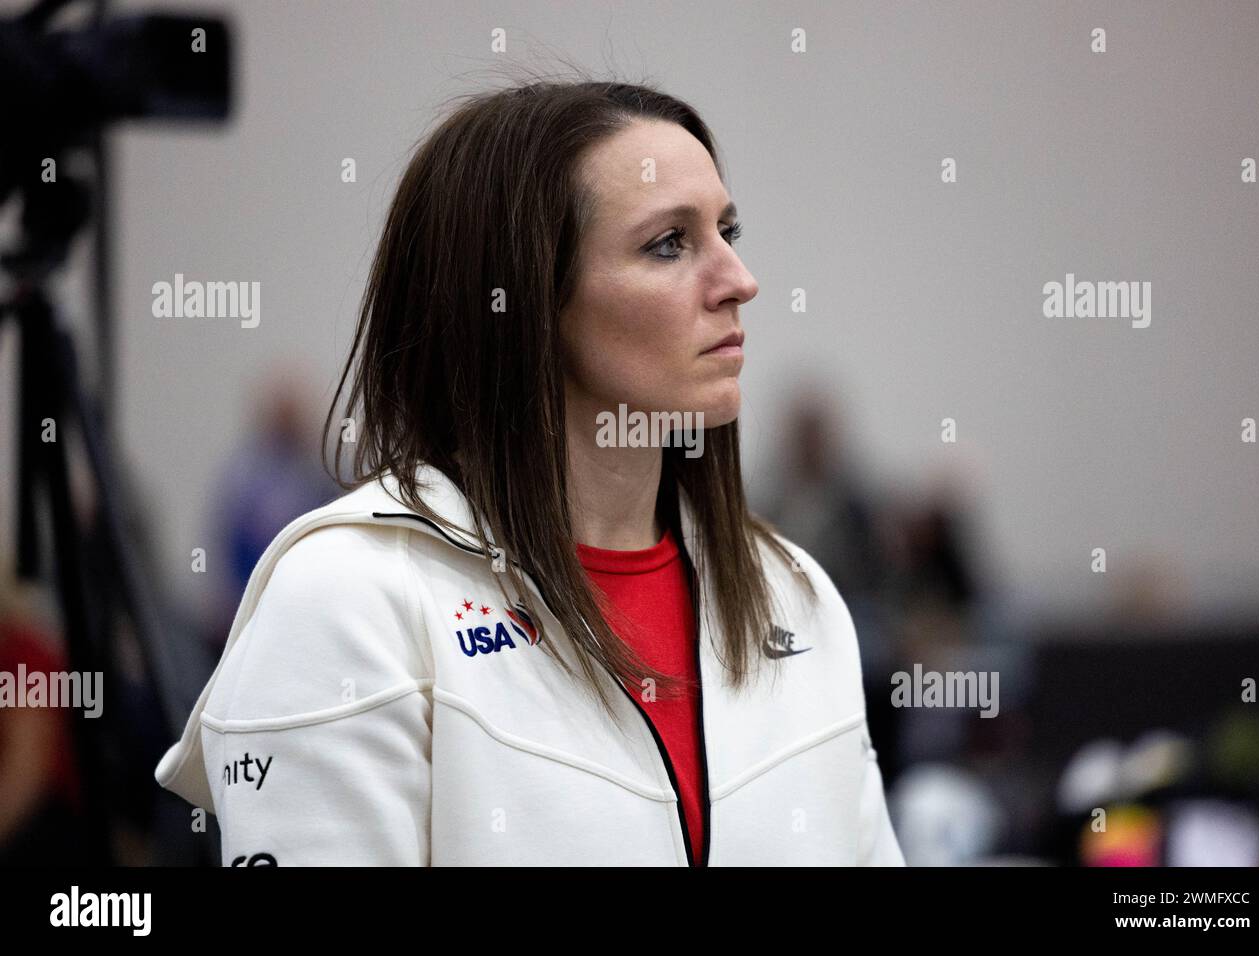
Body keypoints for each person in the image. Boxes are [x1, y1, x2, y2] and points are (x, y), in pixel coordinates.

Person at [153, 75, 905, 867]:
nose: (738, 281)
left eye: (728, 230)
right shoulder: (351, 600)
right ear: (520, 301)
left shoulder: (797, 595)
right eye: (669, 244)